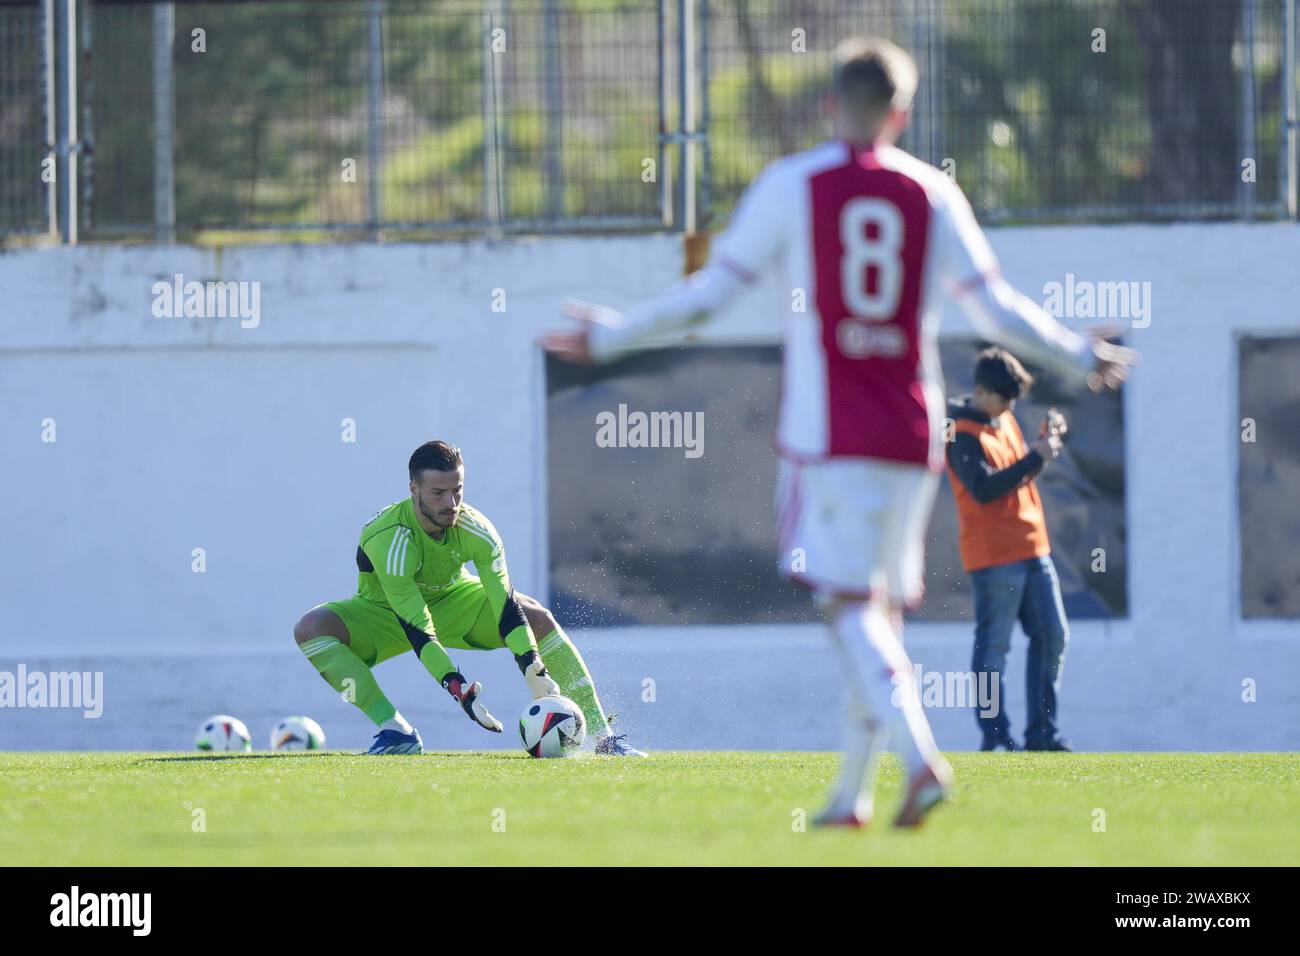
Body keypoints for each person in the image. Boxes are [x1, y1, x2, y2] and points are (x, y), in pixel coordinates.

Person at [544, 37, 1133, 826]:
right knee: (876, 616)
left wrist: (614, 338)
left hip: (832, 438)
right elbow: (994, 306)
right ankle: (850, 799)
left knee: (846, 611)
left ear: (829, 104)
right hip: (915, 434)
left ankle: (920, 758)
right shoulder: (932, 191)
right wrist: (1077, 351)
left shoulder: (793, 183)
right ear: (902, 114)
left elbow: (711, 294)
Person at [292, 439, 646, 757]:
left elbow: (505, 606)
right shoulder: (389, 538)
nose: (451, 503)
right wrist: (457, 687)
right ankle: (395, 730)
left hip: (456, 602)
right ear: (413, 489)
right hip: (384, 614)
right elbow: (418, 628)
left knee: (536, 616)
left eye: (457, 490)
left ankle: (605, 738)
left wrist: (532, 666)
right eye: (438, 493)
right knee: (311, 628)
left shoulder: (478, 530)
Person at [947, 348, 1073, 751]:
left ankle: (1041, 734)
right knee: (993, 650)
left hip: (1033, 548)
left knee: (1052, 637)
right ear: (981, 391)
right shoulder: (958, 430)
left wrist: (1043, 448)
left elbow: (1015, 476)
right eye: (1003, 399)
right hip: (993, 556)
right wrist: (1032, 458)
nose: (1008, 407)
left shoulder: (1002, 418)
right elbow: (983, 488)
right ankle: (996, 736)